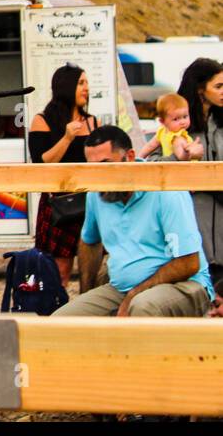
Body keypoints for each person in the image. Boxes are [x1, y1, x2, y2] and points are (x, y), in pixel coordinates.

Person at [53, 126, 213, 318]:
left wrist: (134, 294)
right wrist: (86, 293)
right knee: (62, 322)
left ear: (129, 157)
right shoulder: (97, 191)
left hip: (185, 285)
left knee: (142, 307)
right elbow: (89, 241)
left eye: (106, 165)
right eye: (92, 167)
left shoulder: (165, 188)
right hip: (123, 289)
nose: (99, 174)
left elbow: (189, 263)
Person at [149, 58, 223, 305]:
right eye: (219, 86)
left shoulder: (220, 124)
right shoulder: (175, 124)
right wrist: (180, 158)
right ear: (201, 89)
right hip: (190, 217)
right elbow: (150, 163)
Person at [28, 64, 97, 286]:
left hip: (89, 201)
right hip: (59, 204)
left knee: (91, 270)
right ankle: (56, 314)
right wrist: (67, 137)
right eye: (81, 83)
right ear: (66, 87)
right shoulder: (42, 120)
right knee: (60, 271)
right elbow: (41, 161)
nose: (86, 88)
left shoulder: (92, 121)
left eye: (86, 82)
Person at [138, 93, 196, 161]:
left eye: (185, 116)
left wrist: (139, 157)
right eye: (176, 119)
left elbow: (150, 146)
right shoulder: (175, 135)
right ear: (162, 121)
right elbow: (150, 146)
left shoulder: (168, 133)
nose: (182, 122)